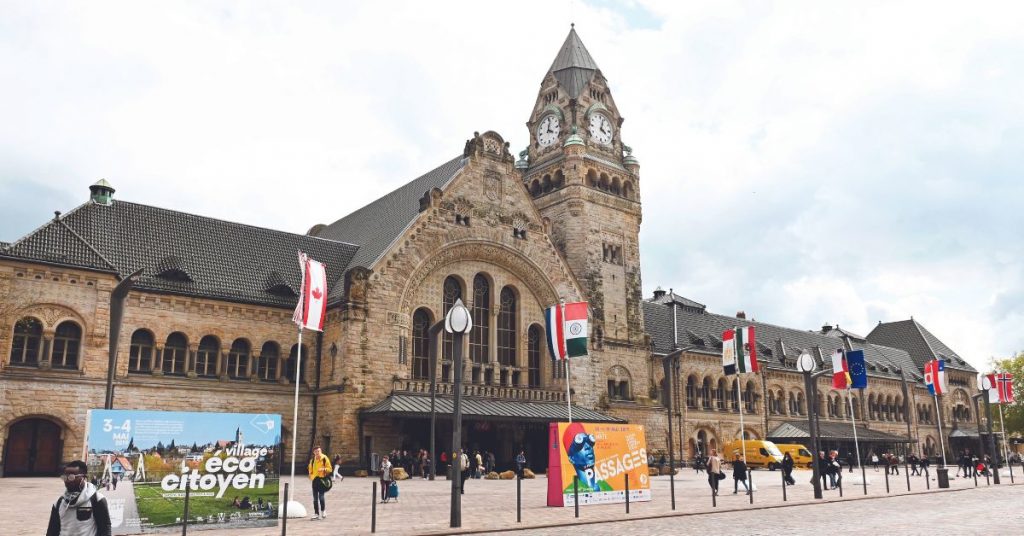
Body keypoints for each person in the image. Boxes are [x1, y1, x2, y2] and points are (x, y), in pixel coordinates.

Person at [46, 460, 112, 536]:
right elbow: (52, 530)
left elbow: (105, 529)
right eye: (65, 477)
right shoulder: (59, 503)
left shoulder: (97, 499)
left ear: (84, 477)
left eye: (71, 477)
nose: (67, 480)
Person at [307, 445, 332, 520]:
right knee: (315, 498)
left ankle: (323, 511)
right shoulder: (312, 460)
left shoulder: (324, 458)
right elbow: (310, 471)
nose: (317, 453)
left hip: (322, 480)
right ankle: (316, 513)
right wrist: (312, 477)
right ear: (314, 452)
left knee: (321, 497)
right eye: (316, 451)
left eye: (319, 451)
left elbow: (330, 469)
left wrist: (323, 469)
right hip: (315, 480)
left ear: (321, 451)